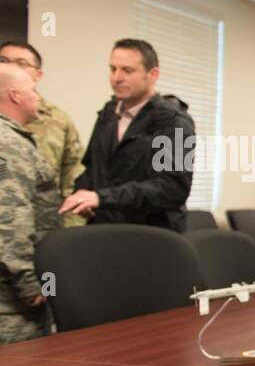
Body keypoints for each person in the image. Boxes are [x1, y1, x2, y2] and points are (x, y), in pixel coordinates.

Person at [61, 38, 194, 231]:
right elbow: (93, 167)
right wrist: (82, 193)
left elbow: (171, 188)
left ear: (152, 74)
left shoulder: (173, 122)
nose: (117, 77)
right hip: (104, 229)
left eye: (127, 70)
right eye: (113, 69)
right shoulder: (108, 114)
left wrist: (102, 198)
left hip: (150, 236)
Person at [0, 63, 60, 344]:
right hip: (11, 308)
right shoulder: (9, 145)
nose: (38, 98)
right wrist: (30, 286)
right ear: (15, 96)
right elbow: (9, 218)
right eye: (33, 90)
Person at [0, 41, 84, 228]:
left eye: (21, 63)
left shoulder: (58, 120)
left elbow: (73, 179)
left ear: (38, 75)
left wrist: (69, 232)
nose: (11, 66)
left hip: (42, 227)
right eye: (3, 60)